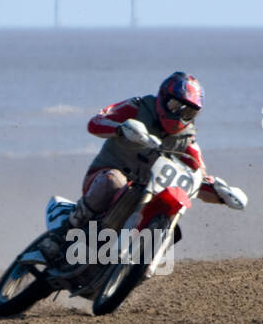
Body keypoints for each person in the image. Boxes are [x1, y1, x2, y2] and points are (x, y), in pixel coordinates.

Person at [39, 71, 248, 268]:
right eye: (176, 106)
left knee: (166, 214)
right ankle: (64, 233)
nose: (181, 115)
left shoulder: (187, 139)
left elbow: (197, 175)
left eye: (189, 111)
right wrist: (119, 129)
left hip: (144, 193)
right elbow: (95, 122)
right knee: (114, 181)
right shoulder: (139, 107)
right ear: (163, 99)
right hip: (106, 174)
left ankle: (133, 267)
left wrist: (222, 194)